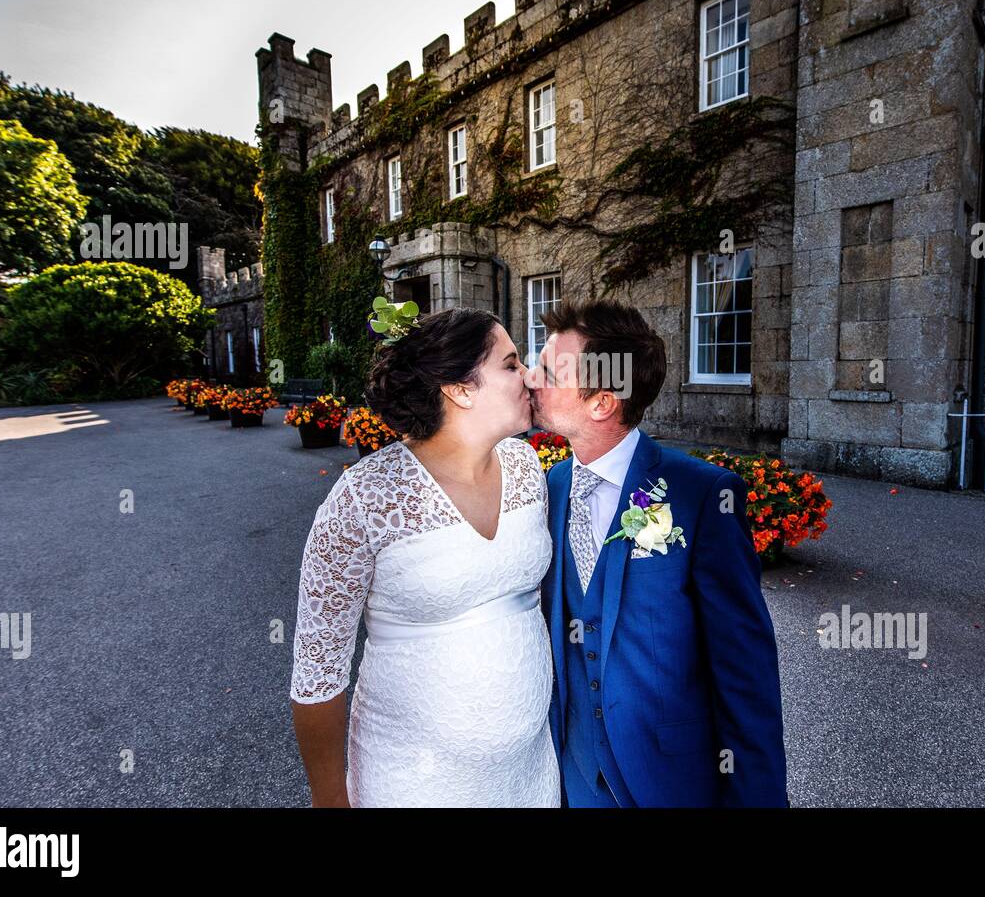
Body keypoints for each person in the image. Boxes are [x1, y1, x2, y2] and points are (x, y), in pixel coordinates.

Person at [288, 305, 560, 807]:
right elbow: (317, 671)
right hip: (413, 779)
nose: (529, 375)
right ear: (459, 389)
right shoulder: (364, 498)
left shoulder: (527, 466)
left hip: (529, 772)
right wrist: (329, 799)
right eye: (510, 364)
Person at [526, 299, 787, 807]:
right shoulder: (551, 485)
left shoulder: (701, 496)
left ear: (603, 402)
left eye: (549, 372)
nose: (531, 379)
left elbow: (744, 671)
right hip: (572, 777)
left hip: (670, 782)